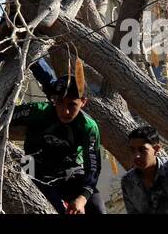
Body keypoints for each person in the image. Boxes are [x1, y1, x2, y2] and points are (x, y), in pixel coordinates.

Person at [10, 75, 106, 214]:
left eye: (72, 105)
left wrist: (82, 198)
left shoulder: (88, 126)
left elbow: (93, 167)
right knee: (54, 208)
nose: (65, 111)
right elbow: (2, 115)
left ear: (83, 102)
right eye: (59, 102)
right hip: (33, 166)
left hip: (69, 170)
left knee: (98, 209)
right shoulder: (39, 111)